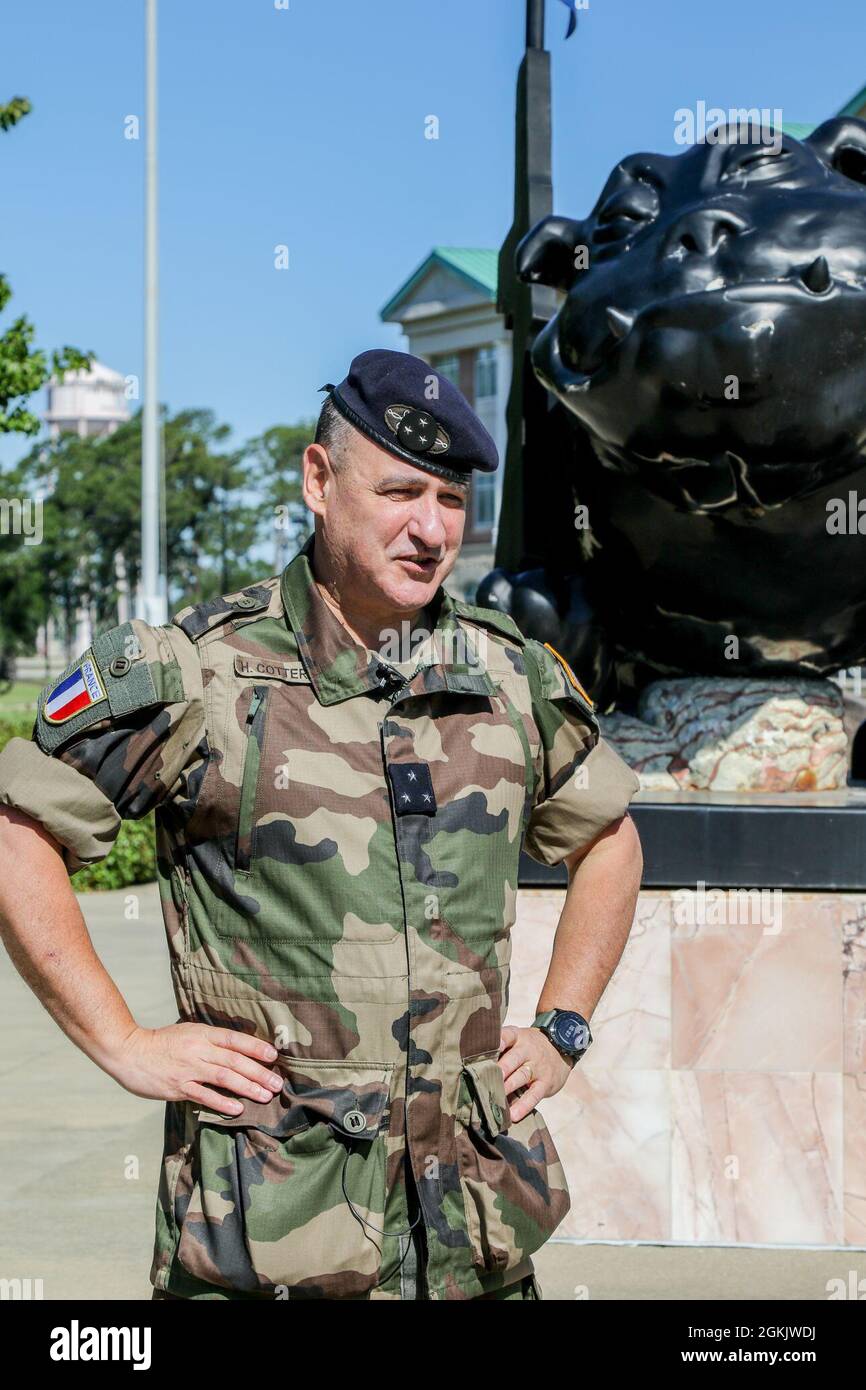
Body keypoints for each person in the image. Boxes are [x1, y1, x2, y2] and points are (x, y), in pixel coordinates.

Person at [0, 348, 642, 1301]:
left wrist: (563, 1026)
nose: (431, 529)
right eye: (400, 493)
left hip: (473, 1239)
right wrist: (122, 1044)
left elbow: (607, 838)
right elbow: (19, 833)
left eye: (452, 501)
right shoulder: (198, 675)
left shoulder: (511, 678)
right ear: (318, 480)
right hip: (275, 1242)